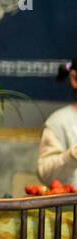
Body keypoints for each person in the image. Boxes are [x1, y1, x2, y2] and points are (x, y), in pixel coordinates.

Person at [38, 55, 77, 186]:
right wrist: (72, 155)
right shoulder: (58, 122)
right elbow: (45, 174)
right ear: (74, 79)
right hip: (70, 205)